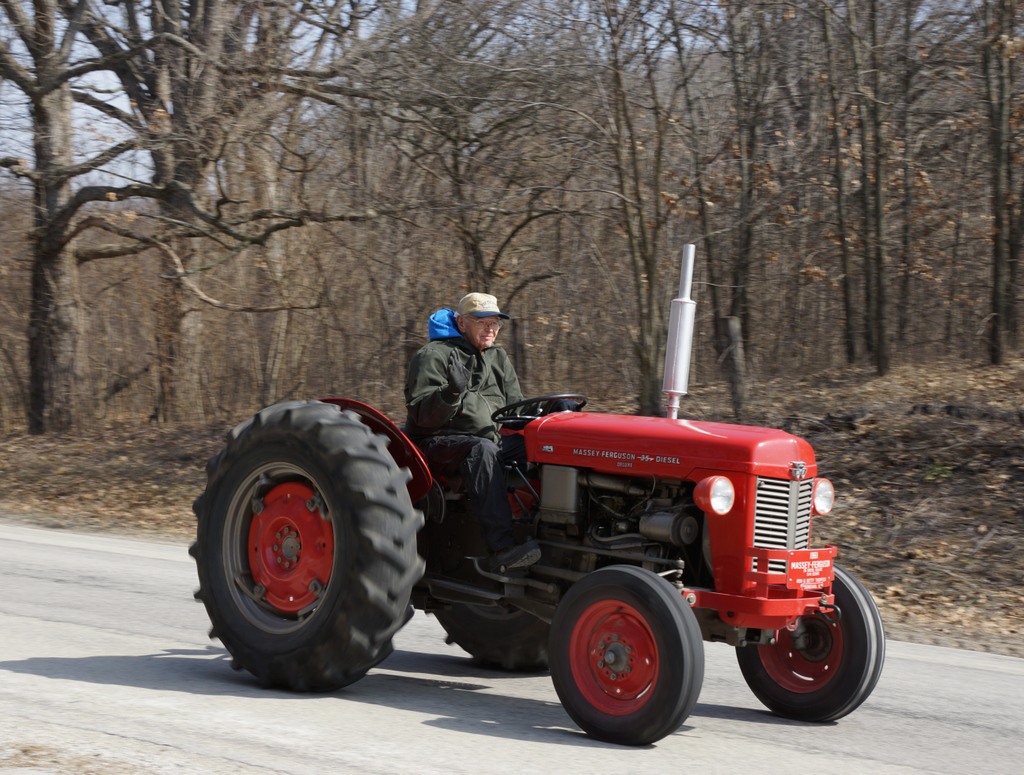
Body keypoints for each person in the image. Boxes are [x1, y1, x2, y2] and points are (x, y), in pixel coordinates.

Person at [404, 292, 541, 572]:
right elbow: (423, 416)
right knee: (482, 451)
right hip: (435, 441)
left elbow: (515, 409)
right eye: (482, 322)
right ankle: (502, 549)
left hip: (489, 438)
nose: (490, 329)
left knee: (540, 449)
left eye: (495, 323)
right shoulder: (433, 355)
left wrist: (547, 411)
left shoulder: (498, 357)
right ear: (461, 323)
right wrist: (451, 392)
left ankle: (544, 530)